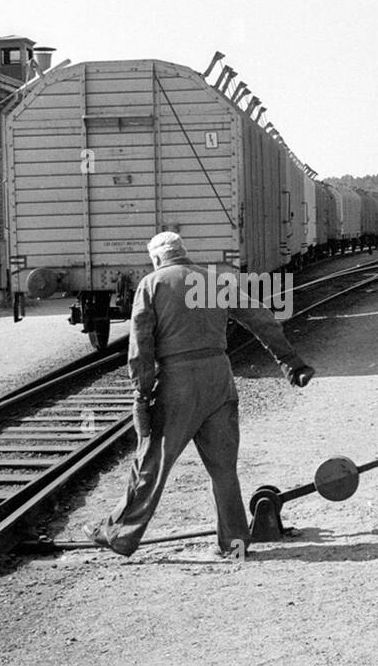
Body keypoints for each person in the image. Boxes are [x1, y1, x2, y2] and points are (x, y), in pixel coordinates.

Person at [83, 232, 314, 558]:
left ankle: (120, 535)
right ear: (183, 253)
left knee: (151, 463)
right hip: (219, 380)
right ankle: (234, 545)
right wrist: (290, 362)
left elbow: (140, 345)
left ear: (157, 258)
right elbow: (261, 318)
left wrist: (142, 391)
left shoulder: (152, 284)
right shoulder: (212, 282)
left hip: (178, 384)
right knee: (224, 469)